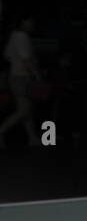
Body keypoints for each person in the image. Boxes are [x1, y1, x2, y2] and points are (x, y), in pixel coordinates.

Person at [0, 16, 43, 149]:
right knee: (24, 109)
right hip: (21, 77)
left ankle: (32, 138)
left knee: (26, 110)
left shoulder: (14, 35)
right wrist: (37, 75)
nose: (32, 24)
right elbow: (26, 59)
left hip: (16, 75)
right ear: (22, 22)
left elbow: (7, 55)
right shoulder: (22, 37)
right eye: (29, 21)